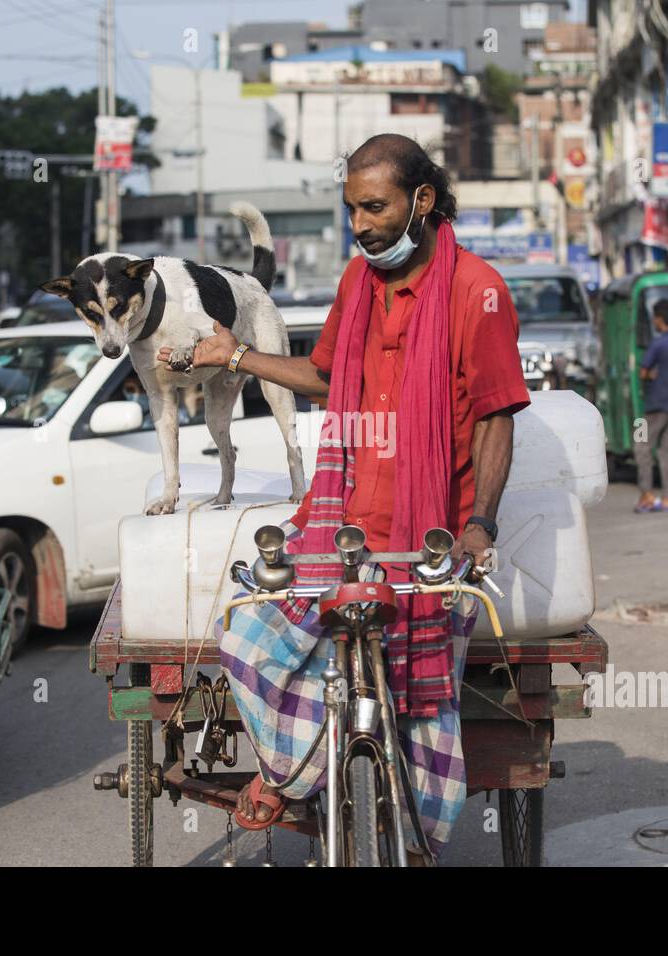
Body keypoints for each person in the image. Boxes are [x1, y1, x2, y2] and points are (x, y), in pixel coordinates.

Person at [162, 132, 531, 860]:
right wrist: (232, 353)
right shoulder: (357, 285)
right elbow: (327, 378)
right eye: (350, 210)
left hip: (428, 538)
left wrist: (480, 524)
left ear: (422, 201)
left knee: (419, 703)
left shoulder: (476, 290)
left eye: (373, 207)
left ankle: (414, 821)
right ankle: (290, 770)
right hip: (344, 526)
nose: (359, 225)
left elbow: (494, 416)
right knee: (250, 635)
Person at [633, 299, 668, 513]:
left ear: (660, 319)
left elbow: (643, 371)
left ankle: (646, 494)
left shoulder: (658, 343)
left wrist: (651, 374)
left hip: (655, 406)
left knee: (640, 444)